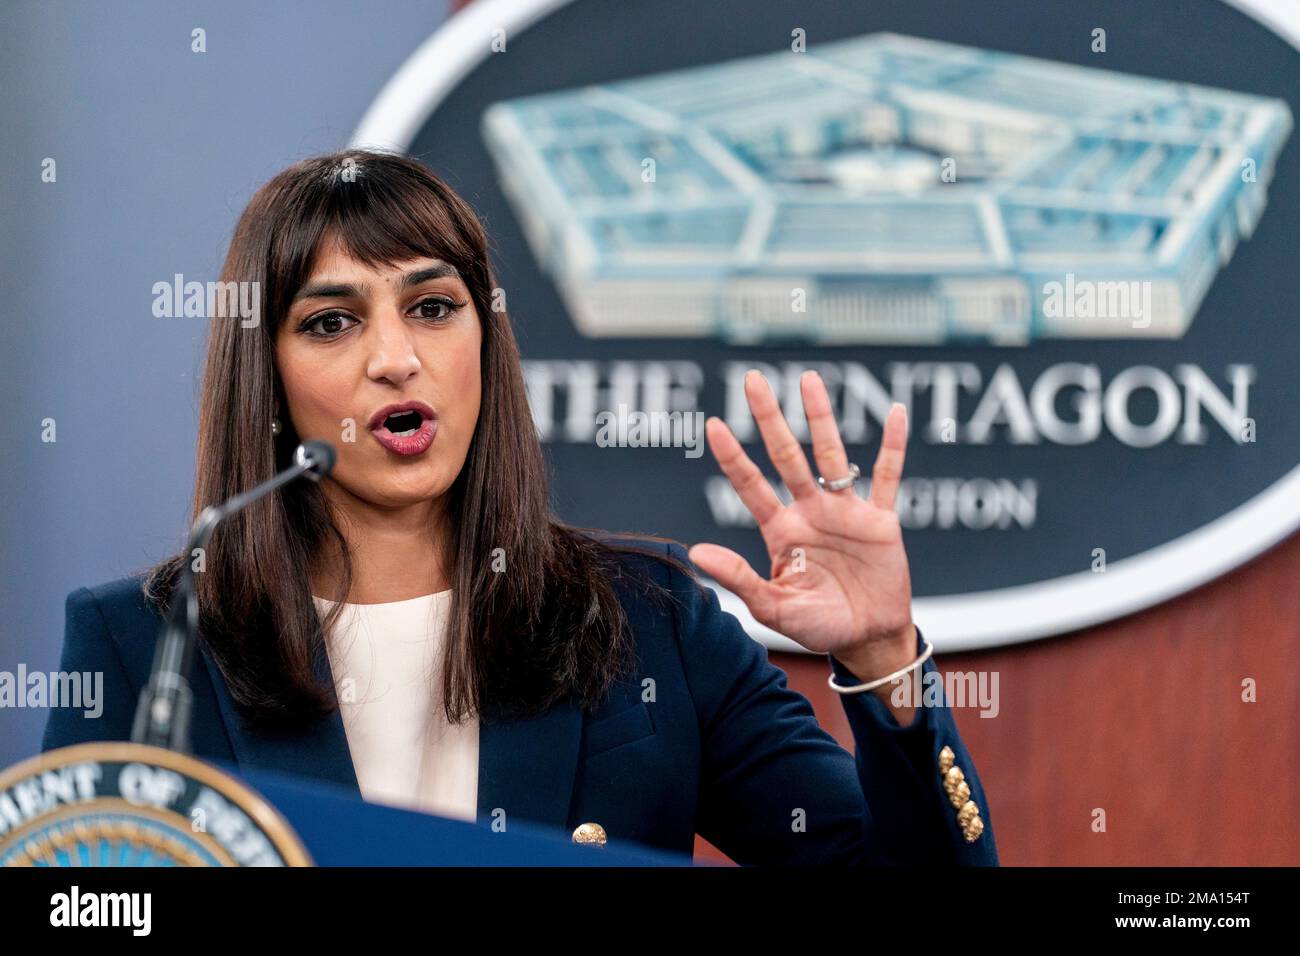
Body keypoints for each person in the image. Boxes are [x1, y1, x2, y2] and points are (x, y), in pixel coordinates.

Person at [42, 150, 997, 865]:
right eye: (332, 322)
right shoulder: (145, 642)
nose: (394, 358)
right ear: (267, 376)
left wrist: (882, 662)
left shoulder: (649, 620)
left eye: (432, 306)